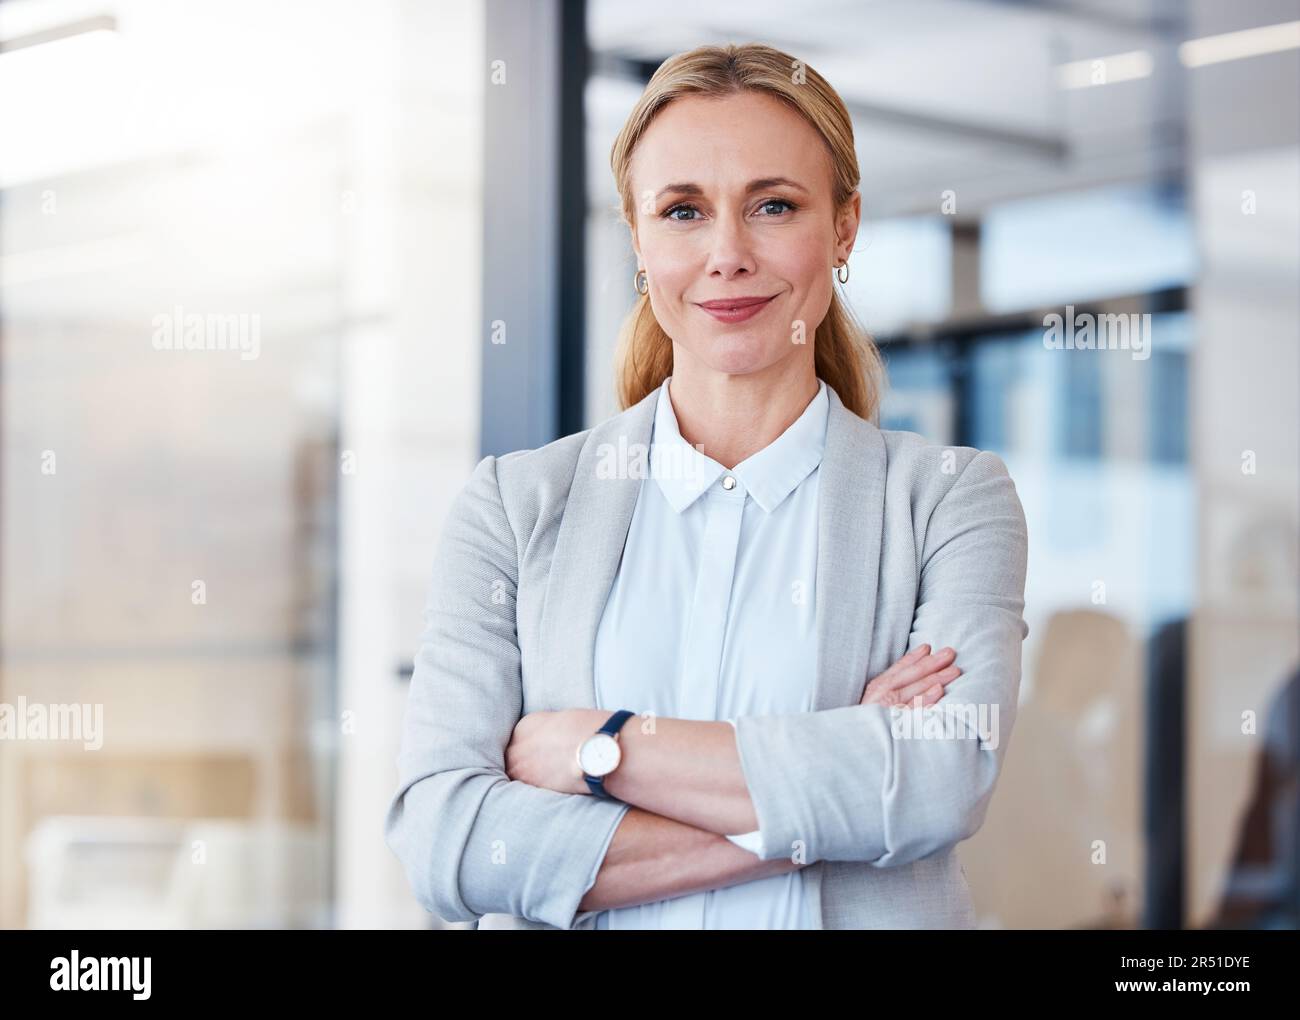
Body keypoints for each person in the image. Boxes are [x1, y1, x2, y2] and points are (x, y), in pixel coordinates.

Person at [385, 41, 1029, 930]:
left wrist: (595, 748)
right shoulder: (513, 507)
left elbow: (937, 782)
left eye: (773, 205)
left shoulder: (950, 501)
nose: (727, 253)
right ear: (639, 239)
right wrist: (831, 793)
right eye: (684, 211)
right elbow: (449, 842)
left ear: (843, 228)